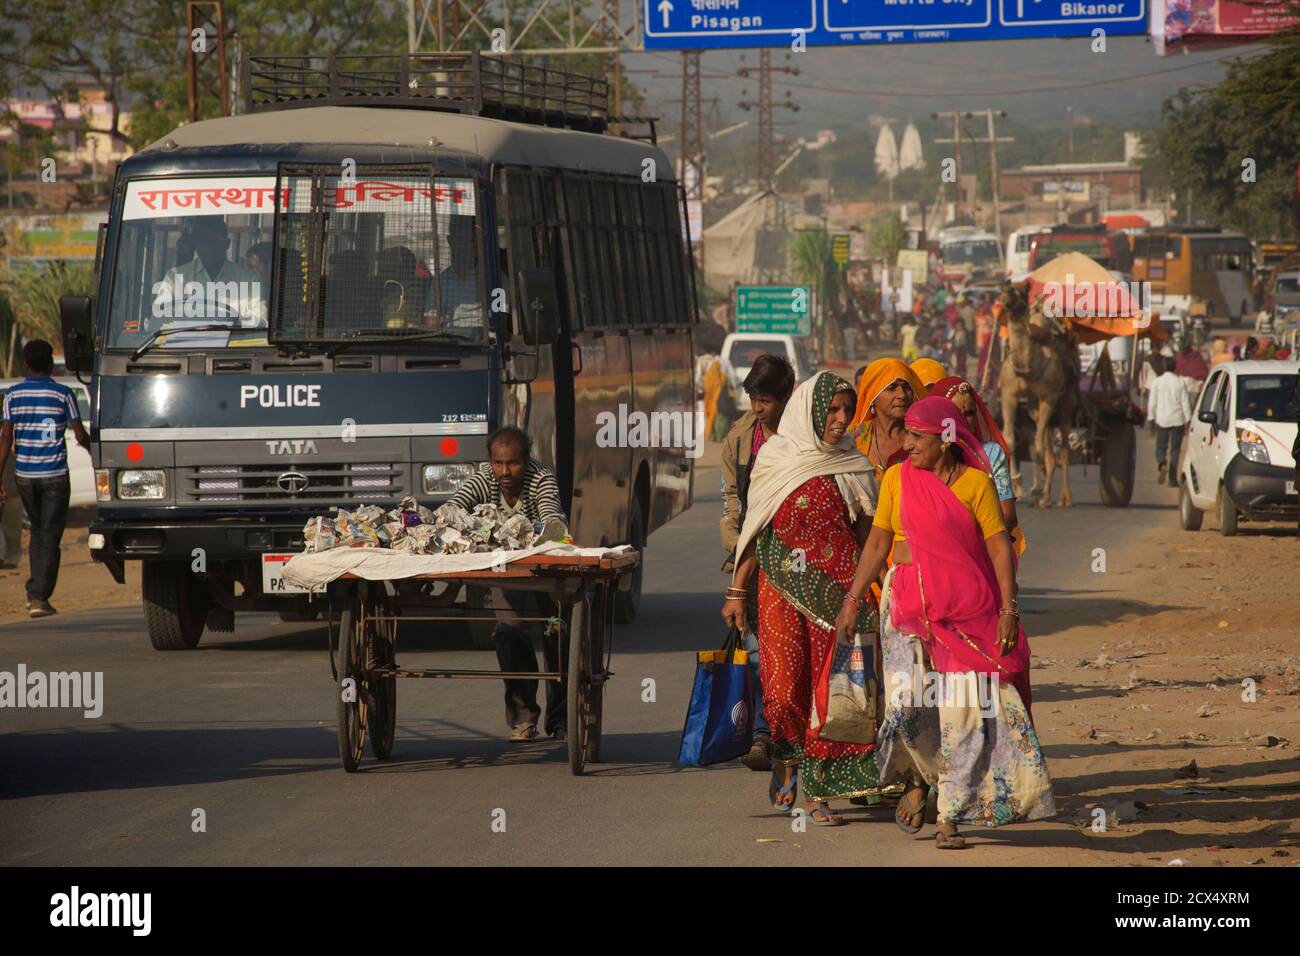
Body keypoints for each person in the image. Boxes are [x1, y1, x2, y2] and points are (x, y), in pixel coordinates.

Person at [836, 396, 1054, 849]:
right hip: (907, 609)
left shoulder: (977, 484)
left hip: (965, 614)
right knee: (906, 707)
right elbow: (877, 543)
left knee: (962, 714)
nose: (907, 442)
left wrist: (1008, 610)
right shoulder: (897, 478)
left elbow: (998, 548)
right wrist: (854, 598)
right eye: (907, 433)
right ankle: (925, 778)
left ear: (947, 439)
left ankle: (950, 814)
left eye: (918, 436)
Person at [723, 372, 882, 825]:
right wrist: (737, 591)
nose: (841, 420)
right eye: (832, 410)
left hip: (838, 597)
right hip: (780, 590)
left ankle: (817, 790)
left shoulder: (853, 464)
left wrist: (880, 588)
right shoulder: (776, 459)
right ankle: (786, 757)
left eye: (847, 411)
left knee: (830, 695)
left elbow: (869, 536)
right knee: (782, 688)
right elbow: (754, 531)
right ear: (810, 410)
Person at [448, 427, 570, 741]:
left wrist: (544, 534)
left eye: (512, 463)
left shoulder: (541, 478)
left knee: (556, 630)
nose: (504, 471)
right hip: (506, 571)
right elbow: (453, 508)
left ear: (526, 461)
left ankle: (561, 718)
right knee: (510, 630)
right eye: (498, 463)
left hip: (545, 569)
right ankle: (523, 716)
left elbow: (551, 515)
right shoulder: (483, 478)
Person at [720, 354, 796, 772]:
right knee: (755, 648)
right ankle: (763, 733)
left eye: (765, 400)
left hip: (799, 559)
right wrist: (740, 552)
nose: (757, 408)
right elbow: (733, 505)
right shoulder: (739, 439)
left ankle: (796, 730)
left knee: (794, 649)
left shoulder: (806, 435)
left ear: (787, 397)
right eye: (753, 398)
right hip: (752, 559)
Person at [0, 340, 91, 617]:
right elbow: (79, 434)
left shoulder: (12, 396)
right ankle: (39, 595)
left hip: (25, 476)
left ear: (25, 364)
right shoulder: (63, 394)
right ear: (51, 364)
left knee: (38, 531)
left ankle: (35, 591)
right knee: (50, 535)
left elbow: (6, 437)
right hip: (54, 476)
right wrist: (97, 453)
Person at [931, 375, 1022, 548]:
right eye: (956, 412)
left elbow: (1007, 514)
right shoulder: (925, 455)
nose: (964, 420)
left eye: (970, 413)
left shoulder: (991, 454)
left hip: (982, 548)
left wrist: (972, 546)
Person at [153, 217, 265, 328]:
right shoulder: (175, 278)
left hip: (234, 345)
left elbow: (260, 321)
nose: (208, 247)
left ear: (227, 244)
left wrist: (232, 324)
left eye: (213, 241)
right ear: (195, 245)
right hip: (182, 345)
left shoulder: (249, 279)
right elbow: (159, 318)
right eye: (202, 241)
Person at [852, 358, 926, 479]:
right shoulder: (854, 439)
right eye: (891, 388)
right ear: (873, 396)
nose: (902, 395)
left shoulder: (925, 439)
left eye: (907, 387)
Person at [1146, 355, 1192, 488]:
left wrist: (1151, 418)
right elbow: (1185, 403)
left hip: (1162, 419)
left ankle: (1162, 463)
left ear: (1164, 367)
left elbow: (1152, 402)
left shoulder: (1157, 382)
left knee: (1161, 447)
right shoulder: (1180, 382)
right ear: (1174, 367)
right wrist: (1188, 420)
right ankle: (1172, 478)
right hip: (1177, 419)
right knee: (1175, 450)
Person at [1174, 337, 1209, 407]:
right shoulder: (1178, 357)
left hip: (1193, 388)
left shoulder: (1195, 357)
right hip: (1179, 388)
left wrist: (1201, 383)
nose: (1182, 350)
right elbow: (1175, 371)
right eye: (1181, 348)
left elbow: (1202, 372)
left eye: (1184, 348)